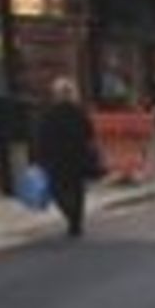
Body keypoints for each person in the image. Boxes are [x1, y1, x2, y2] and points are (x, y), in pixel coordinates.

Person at [35, 77, 99, 237]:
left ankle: (71, 217)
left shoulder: (49, 114)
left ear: (56, 94)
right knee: (77, 190)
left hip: (57, 159)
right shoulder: (79, 112)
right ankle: (76, 222)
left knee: (58, 191)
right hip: (77, 156)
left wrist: (40, 158)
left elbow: (42, 138)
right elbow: (89, 134)